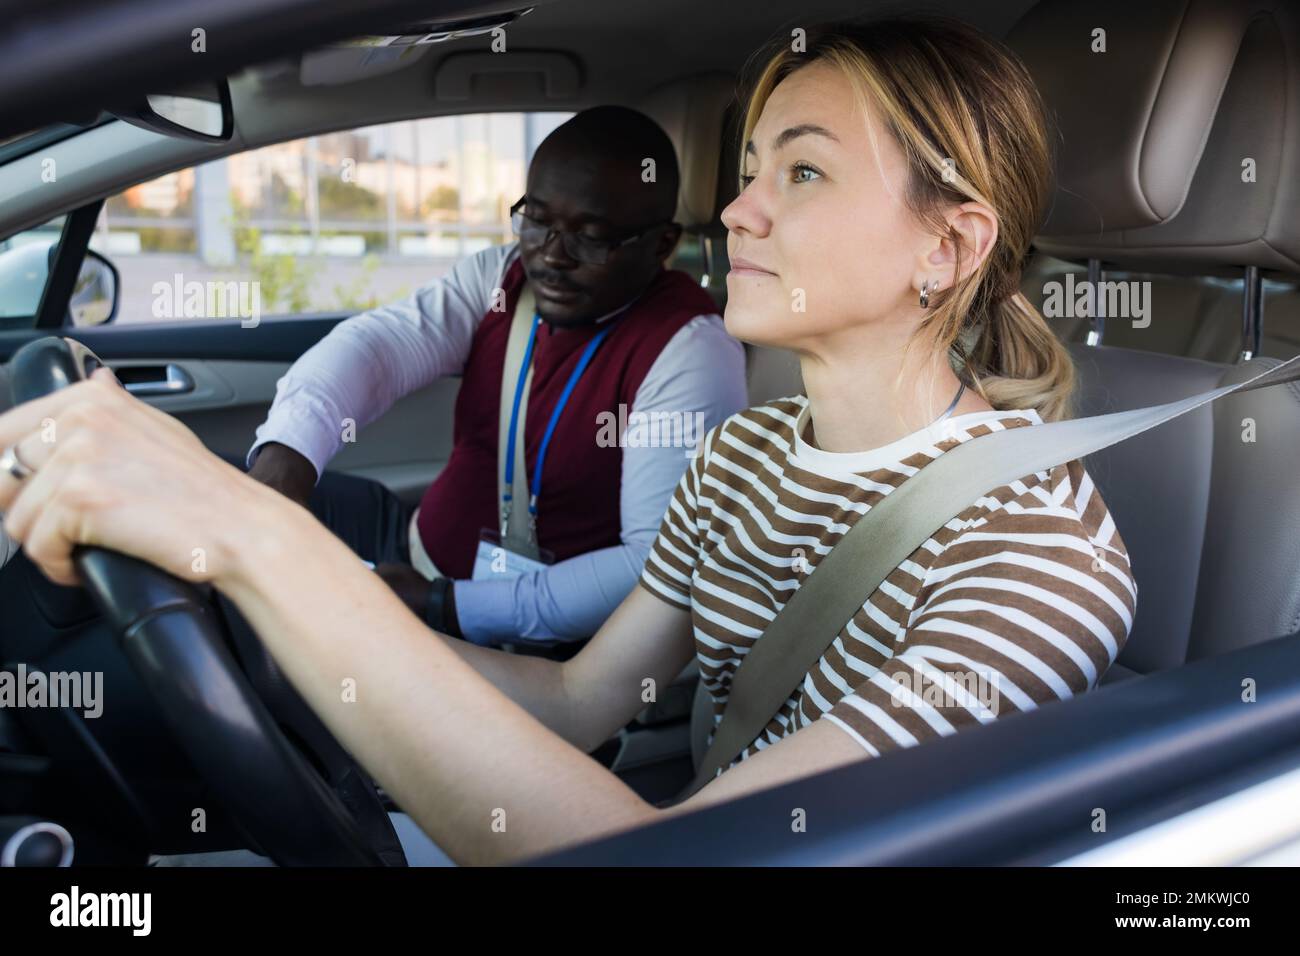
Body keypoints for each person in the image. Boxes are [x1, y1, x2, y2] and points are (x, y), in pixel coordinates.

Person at [0, 17, 1136, 866]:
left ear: (948, 246)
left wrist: (257, 540)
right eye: (747, 173)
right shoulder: (748, 454)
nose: (736, 212)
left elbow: (681, 858)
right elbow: (578, 701)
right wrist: (299, 618)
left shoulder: (1034, 554)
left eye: (801, 171)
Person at [246, 105, 747, 647]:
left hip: (526, 639)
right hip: (413, 557)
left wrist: (444, 606)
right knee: (226, 496)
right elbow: (378, 349)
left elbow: (648, 565)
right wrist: (284, 457)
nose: (551, 256)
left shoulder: (689, 349)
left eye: (592, 237)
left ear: (662, 245)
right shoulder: (500, 277)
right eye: (537, 220)